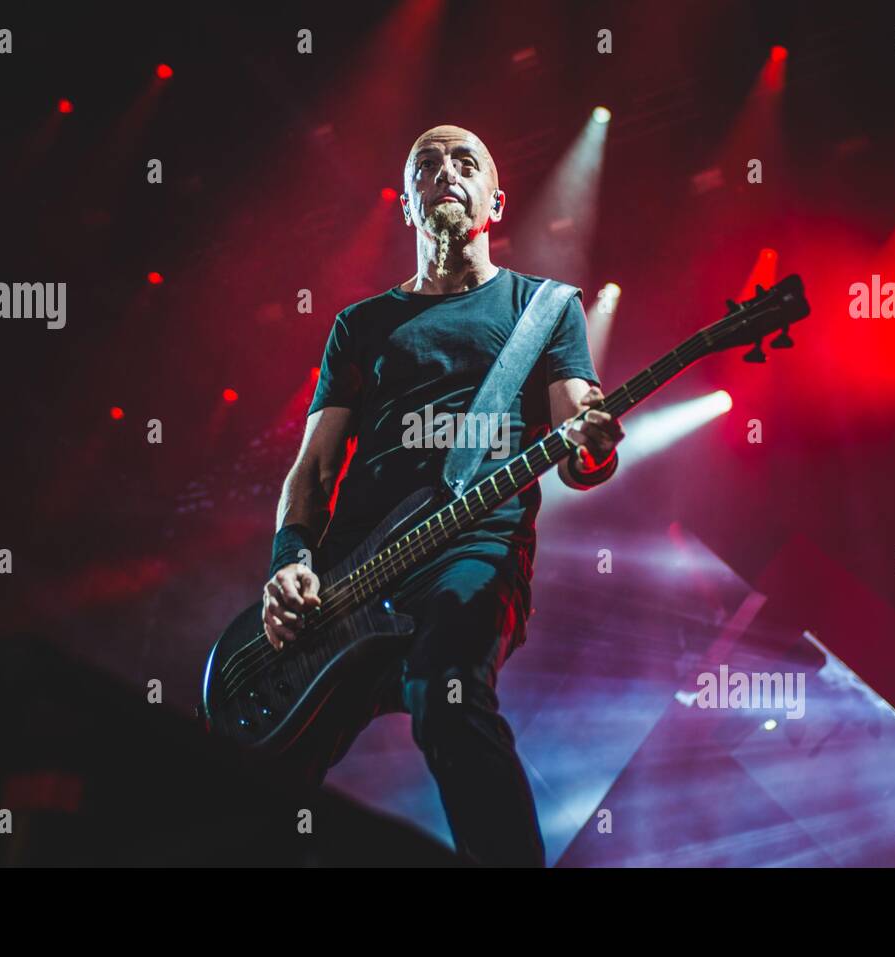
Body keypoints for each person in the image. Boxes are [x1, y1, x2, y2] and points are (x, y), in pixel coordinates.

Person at [262, 125, 624, 866]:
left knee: (446, 691)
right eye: (426, 165)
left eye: (465, 162)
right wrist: (291, 557)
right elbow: (315, 465)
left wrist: (593, 443)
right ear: (406, 204)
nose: (445, 172)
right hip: (351, 579)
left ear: (495, 198)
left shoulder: (545, 310)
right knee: (262, 764)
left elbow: (580, 445)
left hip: (474, 550)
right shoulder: (361, 326)